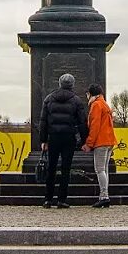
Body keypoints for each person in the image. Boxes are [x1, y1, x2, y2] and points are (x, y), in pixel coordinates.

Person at [37, 73, 87, 209]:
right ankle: (61, 200)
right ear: (72, 85)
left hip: (53, 137)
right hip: (68, 138)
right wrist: (84, 141)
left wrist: (43, 140)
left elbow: (43, 122)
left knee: (51, 168)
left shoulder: (49, 99)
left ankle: (47, 199)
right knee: (66, 169)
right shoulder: (76, 100)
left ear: (59, 84)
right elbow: (82, 123)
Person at [82, 83, 115, 208]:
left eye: (87, 94)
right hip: (109, 141)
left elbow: (94, 126)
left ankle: (104, 196)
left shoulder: (96, 105)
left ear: (91, 94)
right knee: (105, 170)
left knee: (100, 169)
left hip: (101, 141)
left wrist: (89, 144)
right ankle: (104, 195)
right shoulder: (104, 104)